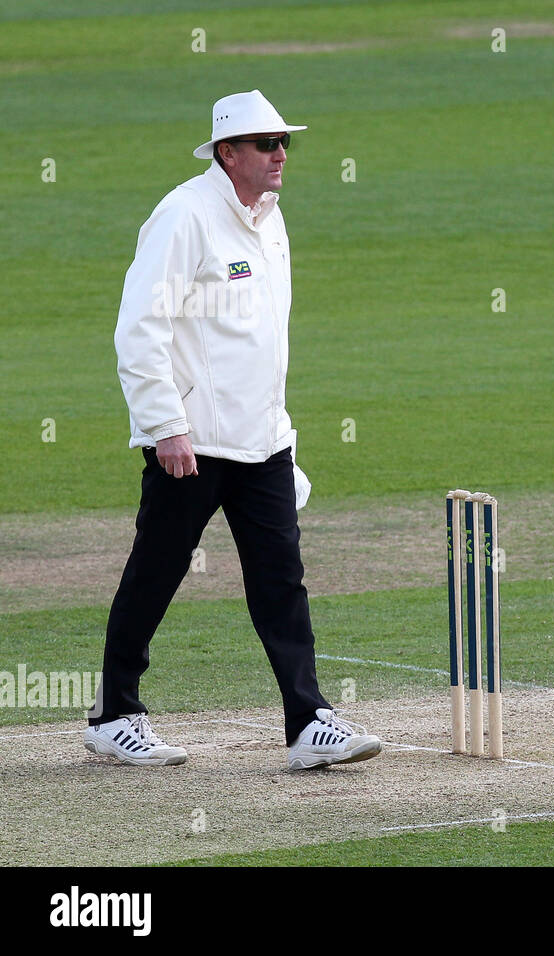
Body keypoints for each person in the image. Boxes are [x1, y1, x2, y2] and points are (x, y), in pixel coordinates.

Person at [85, 90, 381, 771]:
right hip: (191, 444)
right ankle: (114, 714)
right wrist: (165, 426)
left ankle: (309, 723)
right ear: (228, 152)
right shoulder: (184, 215)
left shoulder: (271, 220)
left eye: (285, 143)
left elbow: (261, 342)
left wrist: (286, 439)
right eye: (267, 144)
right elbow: (140, 328)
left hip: (263, 442)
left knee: (282, 579)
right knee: (156, 573)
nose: (281, 155)